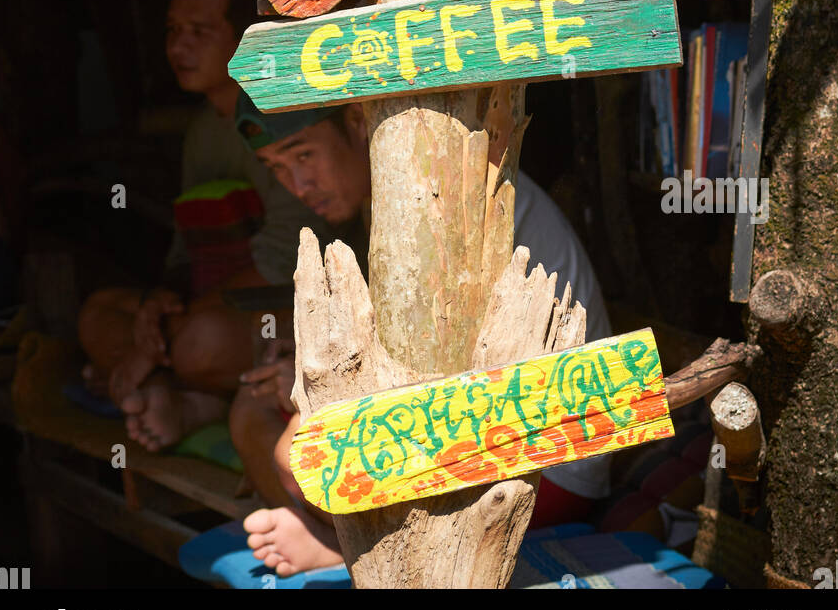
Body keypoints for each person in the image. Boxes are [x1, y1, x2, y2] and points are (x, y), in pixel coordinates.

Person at [232, 95, 612, 578]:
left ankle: (347, 549)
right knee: (256, 411)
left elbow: (438, 374)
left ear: (357, 122)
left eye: (304, 154)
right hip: (497, 431)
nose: (298, 184)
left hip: (546, 465)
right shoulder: (397, 190)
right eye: (276, 167)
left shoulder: (439, 191)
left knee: (297, 451)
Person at [77, 0, 328, 452]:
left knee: (198, 342)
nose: (178, 45)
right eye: (173, 29)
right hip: (203, 305)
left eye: (200, 30)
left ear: (242, 38)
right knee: (97, 313)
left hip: (276, 308)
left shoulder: (278, 118)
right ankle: (169, 385)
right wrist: (156, 306)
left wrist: (167, 330)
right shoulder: (201, 132)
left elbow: (284, 261)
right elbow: (183, 249)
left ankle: (179, 392)